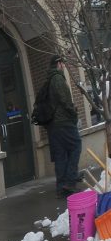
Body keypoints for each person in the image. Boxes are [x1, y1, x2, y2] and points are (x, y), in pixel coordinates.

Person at [44, 56, 82, 196]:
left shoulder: (48, 80)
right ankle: (70, 182)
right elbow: (65, 100)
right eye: (63, 63)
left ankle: (61, 188)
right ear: (58, 64)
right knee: (76, 146)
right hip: (64, 121)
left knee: (60, 155)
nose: (64, 66)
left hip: (53, 125)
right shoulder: (58, 78)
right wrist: (73, 113)